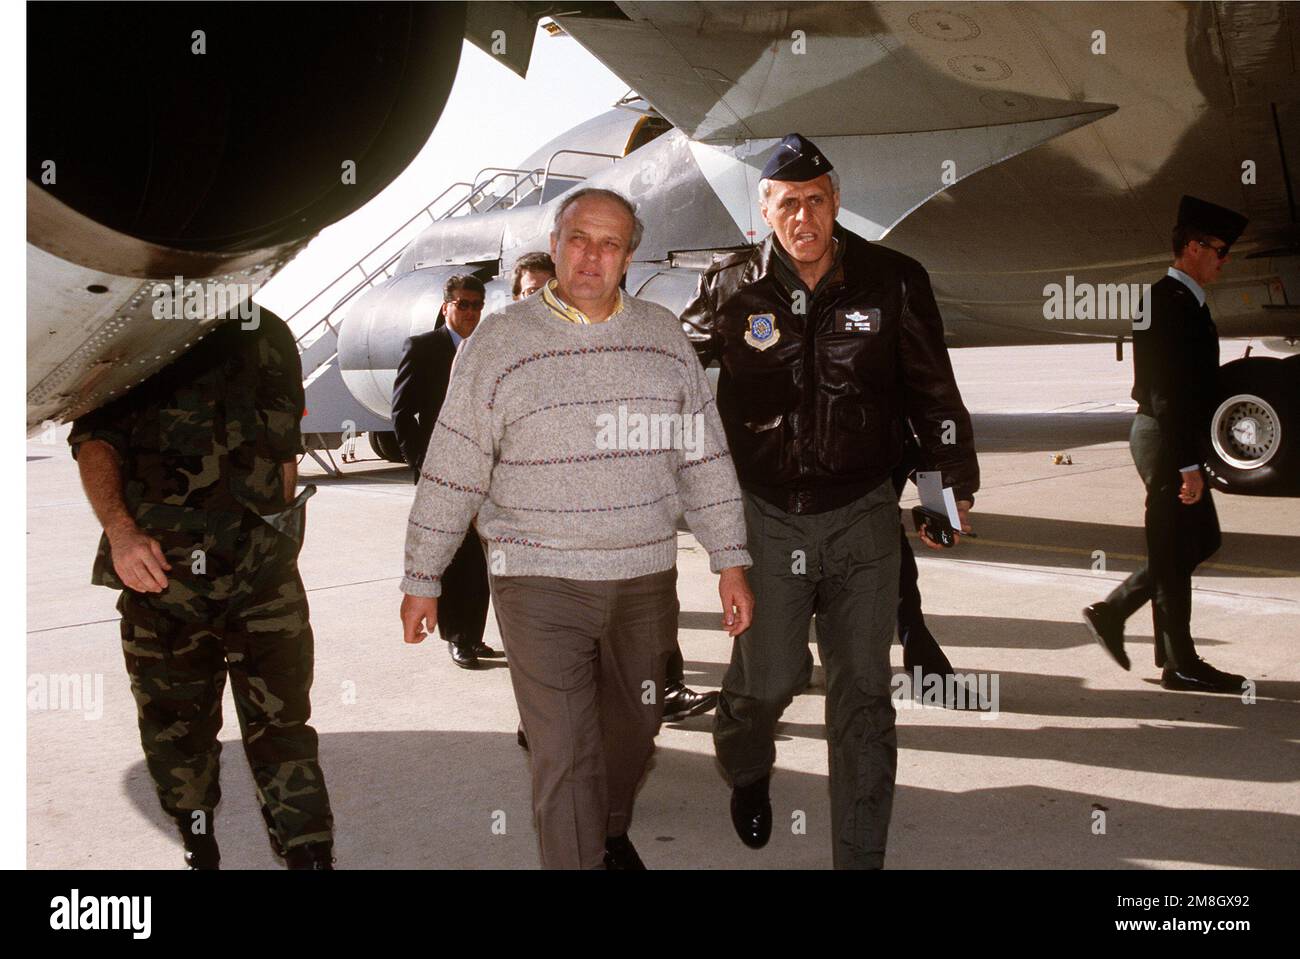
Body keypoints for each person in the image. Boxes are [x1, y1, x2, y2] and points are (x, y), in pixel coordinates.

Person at [400, 187, 754, 869]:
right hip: (536, 577)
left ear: (629, 255)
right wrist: (423, 574)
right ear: (556, 244)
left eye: (610, 242)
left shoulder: (661, 336)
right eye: (578, 238)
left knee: (635, 729)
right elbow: (453, 464)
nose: (591, 255)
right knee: (562, 750)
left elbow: (702, 455)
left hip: (643, 573)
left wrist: (729, 558)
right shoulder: (498, 342)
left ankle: (609, 826)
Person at [681, 133, 979, 869]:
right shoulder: (730, 286)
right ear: (765, 212)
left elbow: (932, 392)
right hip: (769, 513)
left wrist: (946, 488)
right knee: (771, 677)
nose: (804, 216)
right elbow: (667, 366)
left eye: (816, 200)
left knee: (865, 700)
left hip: (863, 513)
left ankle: (859, 857)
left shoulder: (893, 280)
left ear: (837, 202)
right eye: (788, 203)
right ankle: (745, 762)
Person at [68, 310, 335, 870]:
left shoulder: (268, 333)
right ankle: (198, 841)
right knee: (177, 726)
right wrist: (121, 533)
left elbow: (283, 451)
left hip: (262, 572)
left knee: (284, 721)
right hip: (166, 576)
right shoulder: (138, 331)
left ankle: (309, 853)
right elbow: (95, 441)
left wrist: (282, 541)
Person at [507, 250, 720, 740]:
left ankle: (662, 690)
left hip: (621, 524)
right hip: (536, 538)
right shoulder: (497, 352)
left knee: (646, 614)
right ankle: (542, 721)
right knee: (553, 643)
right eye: (528, 291)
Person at [1083, 196, 1250, 694]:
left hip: (1174, 437)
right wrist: (1186, 464)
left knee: (1195, 542)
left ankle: (1118, 613)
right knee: (1179, 544)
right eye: (1220, 250)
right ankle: (1178, 662)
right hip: (1164, 438)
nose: (1225, 260)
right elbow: (1164, 391)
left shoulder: (1186, 303)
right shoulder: (1163, 302)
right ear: (1193, 247)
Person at [391, 275, 498, 669]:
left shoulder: (488, 349)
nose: (470, 311)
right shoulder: (423, 348)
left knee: (482, 558)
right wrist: (423, 466)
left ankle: (474, 634)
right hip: (442, 470)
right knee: (455, 555)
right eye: (462, 304)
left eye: (476, 305)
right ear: (445, 307)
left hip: (483, 469)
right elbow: (403, 413)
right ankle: (458, 637)